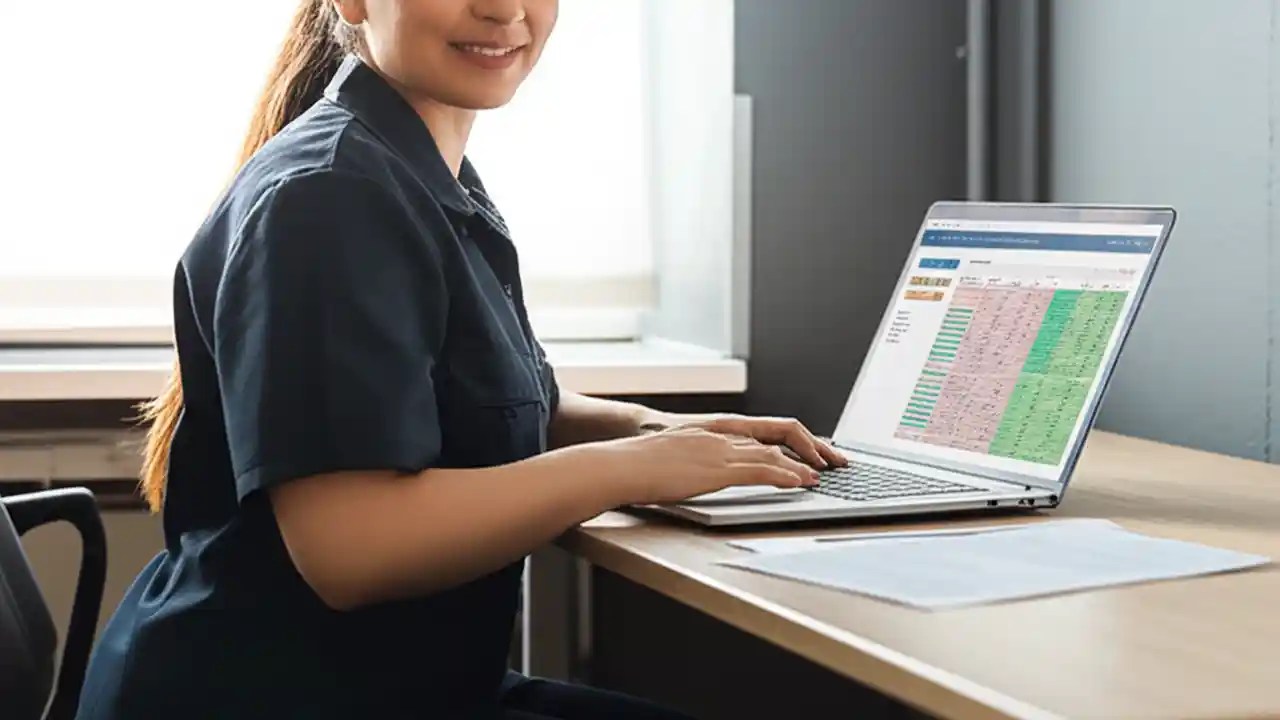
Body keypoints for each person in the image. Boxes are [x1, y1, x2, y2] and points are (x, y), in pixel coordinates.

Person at [75, 1, 845, 718]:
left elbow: (496, 404)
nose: (504, 8)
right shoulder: (328, 195)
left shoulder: (418, 170)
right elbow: (351, 547)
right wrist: (633, 470)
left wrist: (661, 434)